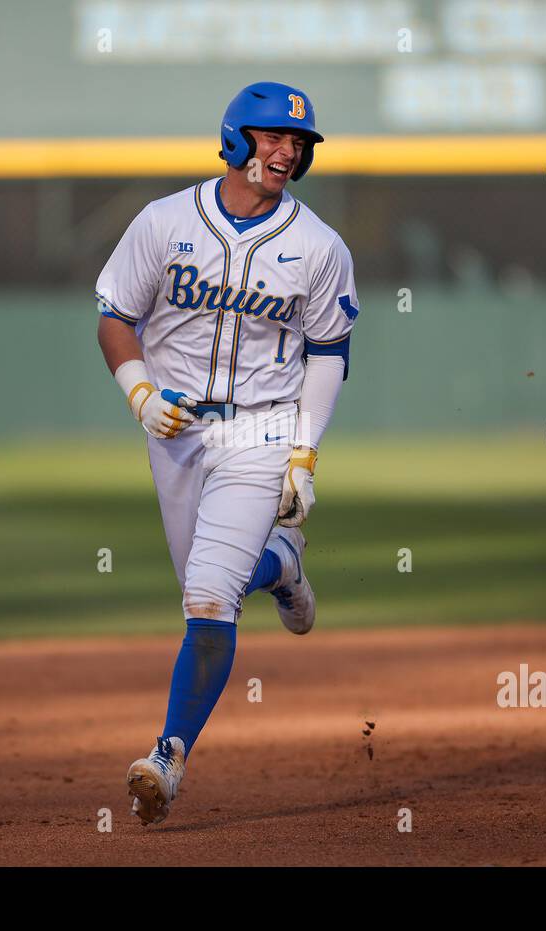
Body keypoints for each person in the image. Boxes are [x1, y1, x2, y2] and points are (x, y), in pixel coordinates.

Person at [94, 81, 359, 825]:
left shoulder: (318, 247)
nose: (288, 152)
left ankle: (167, 759)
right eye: (274, 138)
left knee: (208, 598)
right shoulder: (165, 221)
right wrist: (141, 393)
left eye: (298, 143)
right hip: (174, 434)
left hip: (261, 429)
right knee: (209, 588)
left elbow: (328, 355)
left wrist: (303, 453)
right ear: (236, 138)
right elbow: (116, 315)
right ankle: (285, 564)